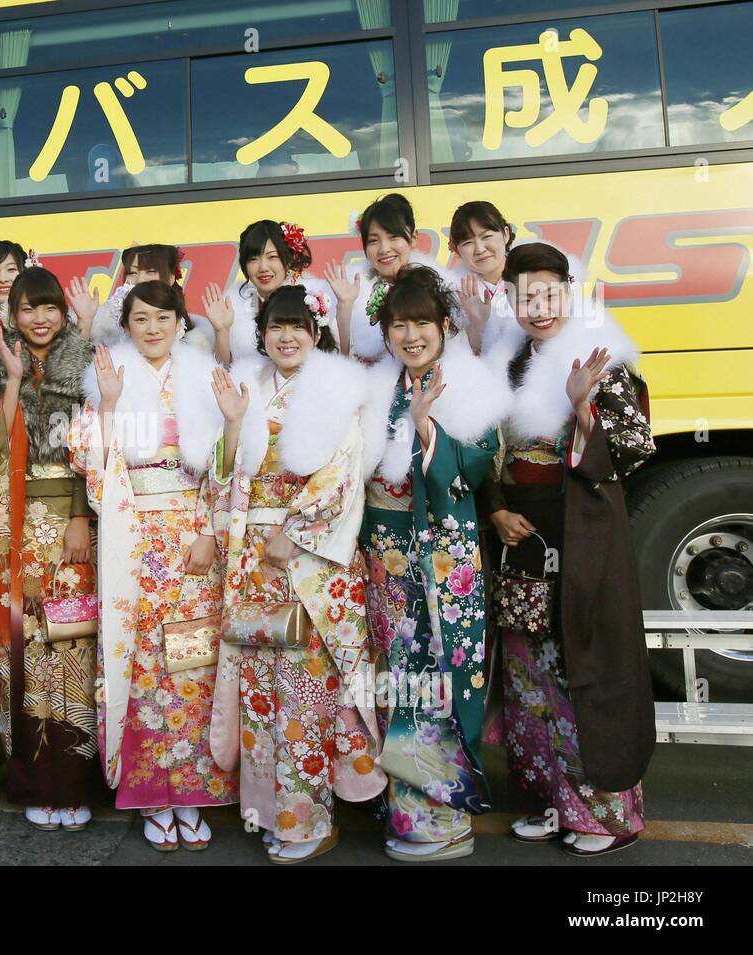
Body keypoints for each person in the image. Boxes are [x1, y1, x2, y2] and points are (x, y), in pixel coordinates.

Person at [482, 242, 655, 857]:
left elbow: (634, 449)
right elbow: (490, 451)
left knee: (586, 669)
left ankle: (606, 814)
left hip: (582, 535)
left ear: (569, 292)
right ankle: (549, 800)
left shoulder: (604, 356)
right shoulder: (507, 365)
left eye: (548, 293)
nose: (538, 306)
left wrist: (583, 409)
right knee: (532, 673)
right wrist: (498, 507)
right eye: (525, 295)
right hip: (523, 539)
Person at [207, 284, 385, 863]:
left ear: (317, 332)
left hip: (306, 560)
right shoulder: (250, 388)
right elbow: (222, 473)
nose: (287, 337)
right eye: (276, 326)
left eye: (299, 326)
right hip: (255, 555)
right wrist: (233, 425)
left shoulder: (337, 388)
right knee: (262, 689)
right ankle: (268, 807)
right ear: (262, 335)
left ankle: (308, 819)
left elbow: (343, 471)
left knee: (307, 689)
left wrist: (296, 532)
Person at [69, 280, 236, 851]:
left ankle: (191, 790)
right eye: (141, 318)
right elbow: (94, 466)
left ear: (179, 322)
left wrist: (211, 532)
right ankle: (148, 794)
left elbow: (221, 465)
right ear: (128, 324)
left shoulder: (200, 377)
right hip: (133, 539)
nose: (152, 328)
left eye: (163, 317)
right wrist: (110, 405)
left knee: (191, 661)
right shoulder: (108, 376)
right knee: (140, 666)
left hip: (190, 539)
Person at [358, 264, 511, 861]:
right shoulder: (378, 387)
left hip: (446, 553)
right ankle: (404, 807)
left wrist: (427, 432)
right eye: (399, 325)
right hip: (387, 550)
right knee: (400, 674)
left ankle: (445, 817)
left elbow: (475, 466)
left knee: (448, 674)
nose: (411, 335)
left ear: (445, 325)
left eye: (422, 322)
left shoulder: (470, 385)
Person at [0, 265, 101, 831]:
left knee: (71, 643)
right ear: (10, 314)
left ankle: (72, 780)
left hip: (66, 518)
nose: (39, 319)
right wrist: (15, 380)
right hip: (11, 519)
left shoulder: (84, 361)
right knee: (18, 644)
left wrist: (76, 513)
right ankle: (31, 780)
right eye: (27, 309)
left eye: (48, 308)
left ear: (62, 313)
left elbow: (88, 448)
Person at [325, 193, 455, 363]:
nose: (384, 249)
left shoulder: (435, 286)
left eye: (393, 237)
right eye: (373, 241)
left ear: (413, 238)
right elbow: (342, 362)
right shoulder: (351, 289)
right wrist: (344, 307)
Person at [202, 220, 335, 364]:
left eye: (272, 257)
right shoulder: (233, 305)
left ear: (288, 259)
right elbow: (224, 370)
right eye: (253, 259)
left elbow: (331, 354)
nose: (263, 267)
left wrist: (345, 305)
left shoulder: (311, 298)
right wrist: (221, 330)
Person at [69, 244, 222, 356]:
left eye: (150, 271)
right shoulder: (104, 328)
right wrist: (85, 321)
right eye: (133, 272)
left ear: (171, 277)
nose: (141, 279)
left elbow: (223, 376)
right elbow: (73, 379)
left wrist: (222, 331)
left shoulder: (198, 336)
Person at [448, 201, 515, 356]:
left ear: (505, 234)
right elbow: (460, 358)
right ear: (456, 249)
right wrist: (477, 324)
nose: (479, 249)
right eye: (468, 242)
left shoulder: (532, 275)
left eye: (487, 236)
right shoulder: (451, 293)